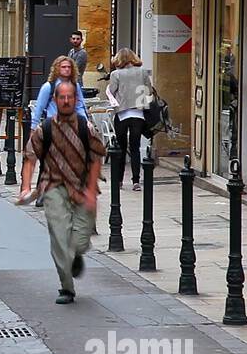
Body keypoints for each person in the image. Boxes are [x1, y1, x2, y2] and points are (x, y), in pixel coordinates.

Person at [19, 80, 106, 305]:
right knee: (59, 237)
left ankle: (76, 255)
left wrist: (90, 189)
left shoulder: (86, 128)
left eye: (70, 97)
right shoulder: (44, 129)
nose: (66, 101)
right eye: (62, 98)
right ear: (55, 101)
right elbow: (30, 158)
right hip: (53, 187)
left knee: (80, 240)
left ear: (75, 100)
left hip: (82, 188)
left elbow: (97, 157)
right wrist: (26, 187)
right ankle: (66, 287)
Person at [107, 47, 153, 191]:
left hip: (122, 113)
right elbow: (149, 91)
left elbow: (112, 91)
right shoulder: (143, 72)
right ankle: (136, 181)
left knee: (120, 148)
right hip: (138, 114)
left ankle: (119, 180)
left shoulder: (116, 74)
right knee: (135, 148)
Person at [31, 55, 89, 130]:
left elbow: (80, 106)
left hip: (72, 127)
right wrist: (33, 128)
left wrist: (86, 124)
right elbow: (39, 108)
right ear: (57, 69)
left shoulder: (75, 86)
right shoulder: (48, 87)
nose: (67, 69)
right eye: (63, 67)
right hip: (54, 126)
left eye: (69, 67)